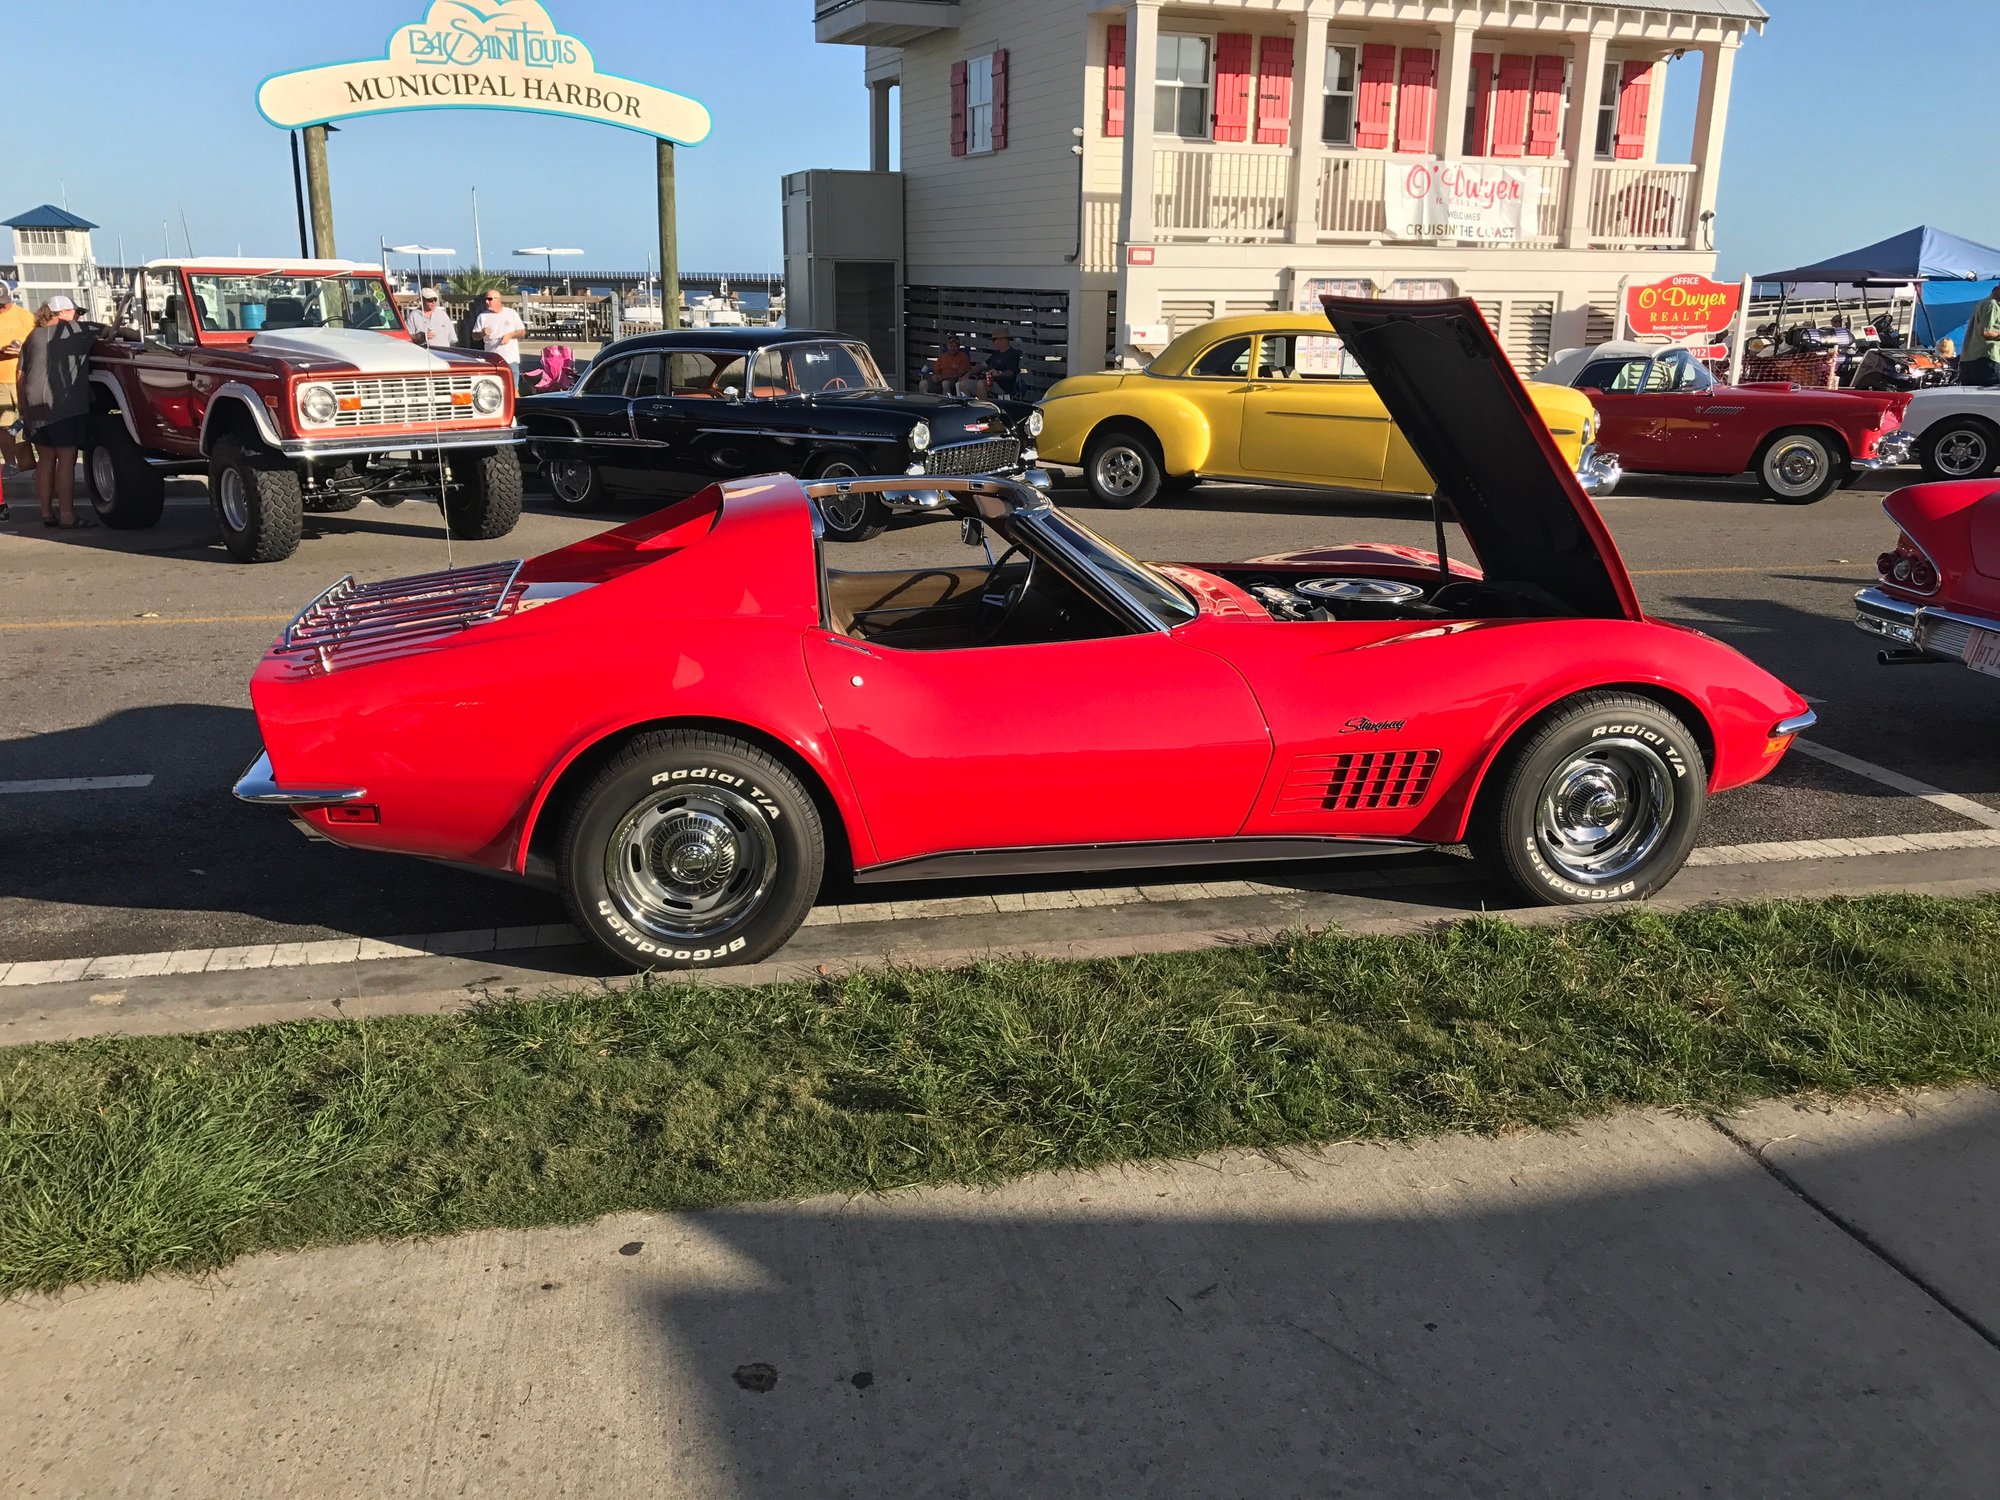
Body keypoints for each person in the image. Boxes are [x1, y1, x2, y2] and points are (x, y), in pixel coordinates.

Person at [18, 296, 96, 529]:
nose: (79, 317)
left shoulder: (33, 336)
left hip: (34, 403)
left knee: (46, 458)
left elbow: (20, 373)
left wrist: (23, 408)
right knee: (67, 458)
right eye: (76, 312)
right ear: (62, 312)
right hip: (62, 404)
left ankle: (46, 513)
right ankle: (67, 515)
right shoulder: (78, 331)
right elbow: (119, 333)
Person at [0, 282, 37, 519]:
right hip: (1, 379)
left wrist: (20, 349)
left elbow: (37, 344)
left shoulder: (25, 317)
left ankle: (27, 463)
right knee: (5, 425)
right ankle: (12, 462)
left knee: (24, 422)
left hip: (23, 377)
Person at [469, 289, 525, 372]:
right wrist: (482, 333)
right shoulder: (482, 316)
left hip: (510, 360)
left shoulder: (511, 313)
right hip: (492, 361)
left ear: (498, 300)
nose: (487, 302)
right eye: (486, 299)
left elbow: (522, 332)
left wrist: (510, 335)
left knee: (513, 385)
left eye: (490, 299)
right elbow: (474, 336)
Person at [1960, 287, 2000, 387]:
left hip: (1970, 358)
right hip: (1986, 359)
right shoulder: (1992, 304)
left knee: (1970, 399)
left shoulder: (1982, 302)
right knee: (1989, 399)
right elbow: (1986, 332)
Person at [968, 328, 1023, 400]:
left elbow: (1011, 372)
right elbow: (982, 365)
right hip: (990, 383)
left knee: (981, 384)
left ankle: (984, 409)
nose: (993, 342)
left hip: (1003, 386)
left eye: (994, 340)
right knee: (963, 384)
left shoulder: (1013, 354)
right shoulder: (996, 354)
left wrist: (998, 373)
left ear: (1002, 340)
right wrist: (967, 374)